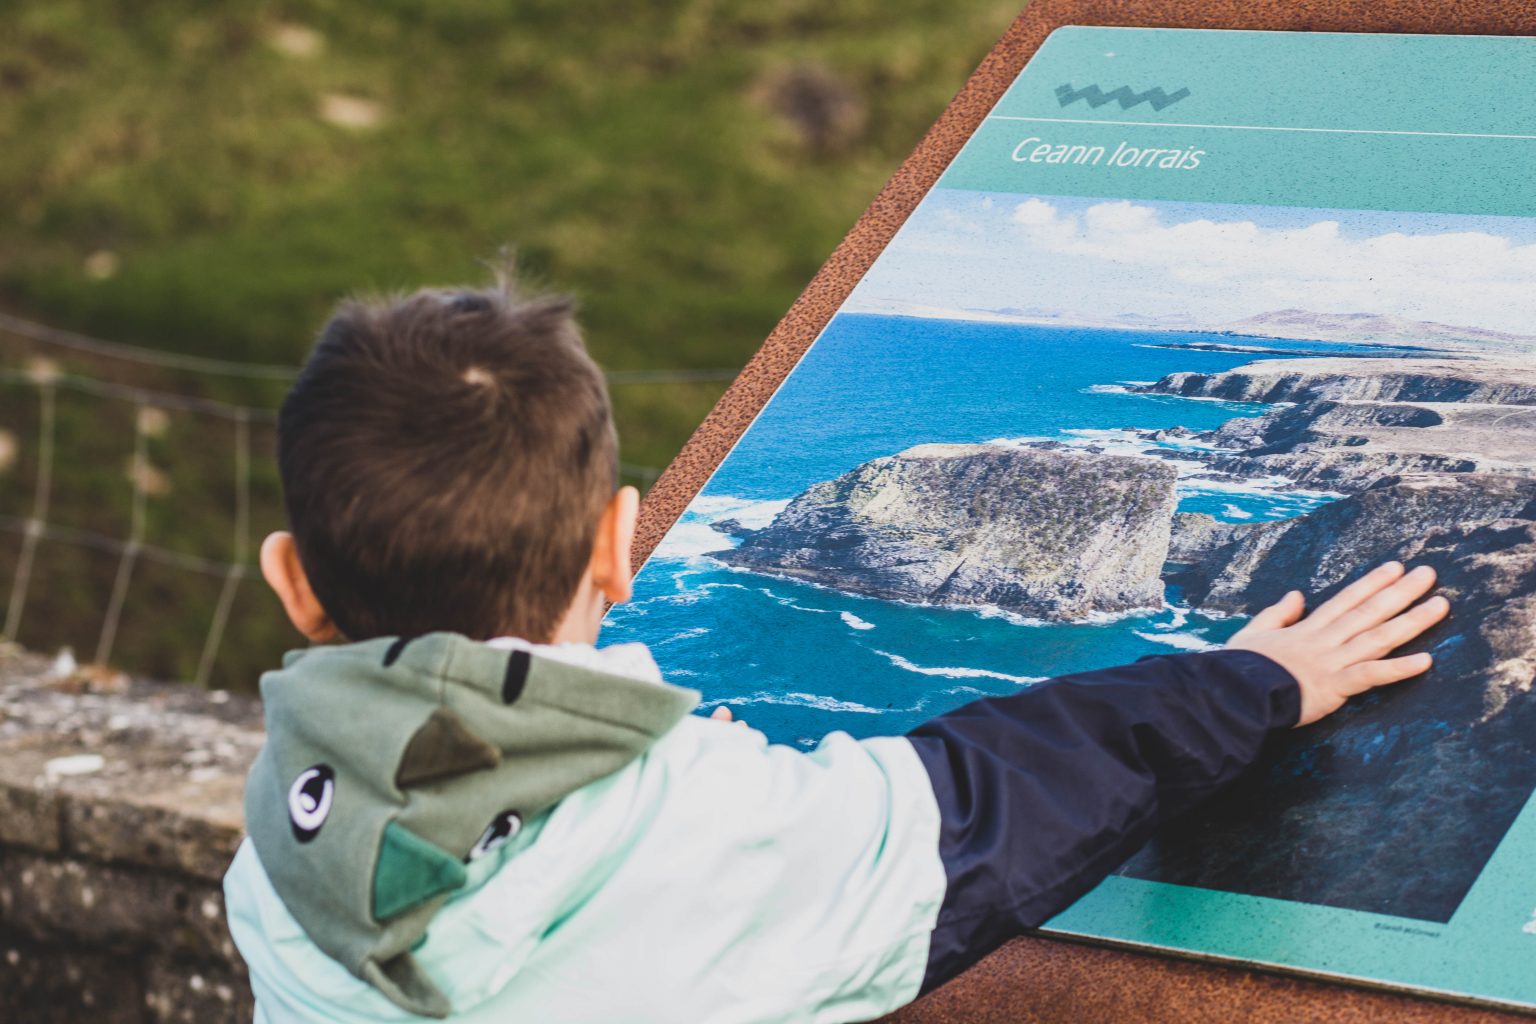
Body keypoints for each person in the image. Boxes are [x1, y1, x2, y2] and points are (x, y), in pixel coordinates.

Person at [223, 275, 1450, 1023]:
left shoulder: (284, 832)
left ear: (295, 583)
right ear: (618, 540)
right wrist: (1250, 684)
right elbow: (984, 809)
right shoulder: (699, 828)